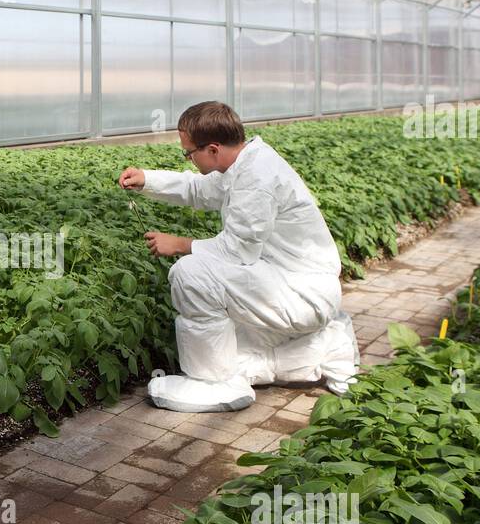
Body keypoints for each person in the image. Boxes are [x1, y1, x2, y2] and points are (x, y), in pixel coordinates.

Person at [118, 100, 359, 412]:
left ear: (214, 149)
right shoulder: (246, 163)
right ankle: (328, 348)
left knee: (191, 274)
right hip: (289, 284)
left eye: (189, 153)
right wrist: (147, 180)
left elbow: (235, 252)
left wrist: (178, 244)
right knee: (233, 352)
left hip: (301, 294)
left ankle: (215, 385)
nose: (189, 160)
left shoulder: (258, 180)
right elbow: (199, 189)